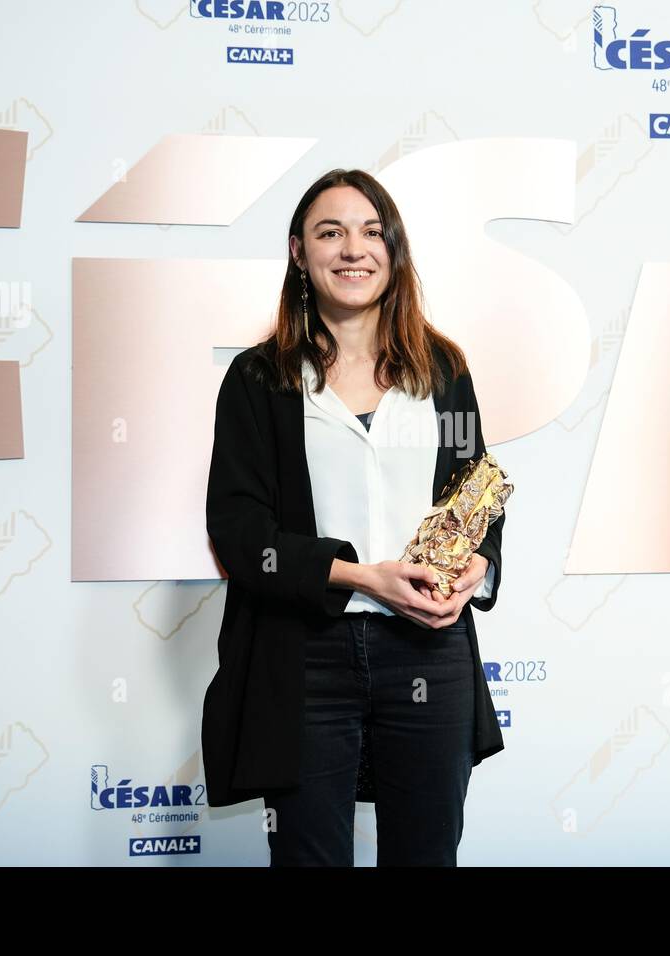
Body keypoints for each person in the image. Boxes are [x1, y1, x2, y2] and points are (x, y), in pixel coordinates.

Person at [201, 168, 507, 866]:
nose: (352, 249)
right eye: (329, 232)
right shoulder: (258, 380)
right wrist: (359, 576)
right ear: (297, 252)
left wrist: (476, 570)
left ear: (393, 253)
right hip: (305, 657)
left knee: (425, 858)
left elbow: (476, 497)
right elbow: (239, 532)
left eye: (372, 232)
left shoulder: (444, 371)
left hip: (429, 649)